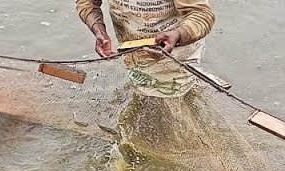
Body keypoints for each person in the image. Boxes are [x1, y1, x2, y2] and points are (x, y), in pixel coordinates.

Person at [76, 0, 215, 98]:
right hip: (132, 50)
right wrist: (99, 31)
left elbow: (202, 15)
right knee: (142, 92)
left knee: (178, 98)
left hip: (173, 52)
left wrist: (178, 34)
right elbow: (87, 3)